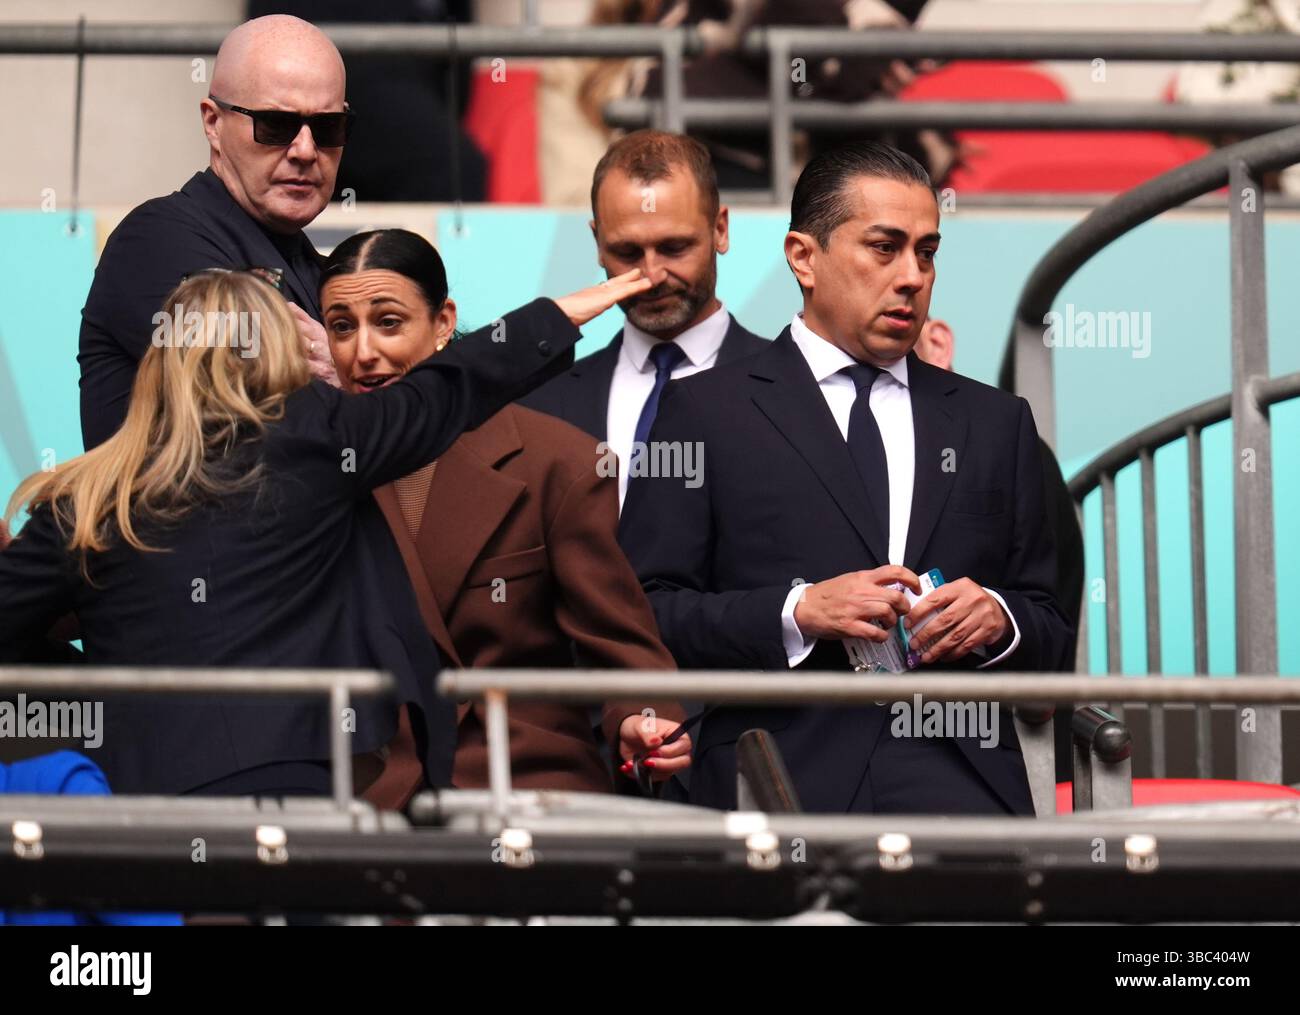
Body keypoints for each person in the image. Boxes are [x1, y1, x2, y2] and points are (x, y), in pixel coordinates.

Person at [1, 265, 649, 797]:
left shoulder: (86, 497)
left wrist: (97, 684)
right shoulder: (313, 438)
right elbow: (445, 390)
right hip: (295, 793)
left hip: (144, 796)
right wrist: (562, 312)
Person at [619, 140, 1073, 815]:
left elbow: (1052, 625)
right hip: (774, 781)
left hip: (962, 791)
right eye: (885, 248)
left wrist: (999, 619)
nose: (913, 275)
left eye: (927, 252)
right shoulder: (705, 410)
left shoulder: (995, 421)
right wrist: (796, 612)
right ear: (803, 256)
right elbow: (643, 609)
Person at [319, 229, 690, 807]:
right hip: (363, 793)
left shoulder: (557, 463)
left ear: (444, 323)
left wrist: (645, 720)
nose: (363, 351)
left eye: (388, 322)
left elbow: (620, 643)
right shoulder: (311, 470)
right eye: (342, 326)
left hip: (521, 783)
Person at [78, 14, 346, 452]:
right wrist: (357, 370)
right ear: (213, 123)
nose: (304, 150)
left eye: (327, 127)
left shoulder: (322, 271)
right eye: (275, 125)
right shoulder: (153, 241)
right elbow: (264, 402)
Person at [522, 130, 767, 509]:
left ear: (720, 229)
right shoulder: (543, 403)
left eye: (674, 247)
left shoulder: (793, 388)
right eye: (627, 251)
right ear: (597, 244)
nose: (651, 275)